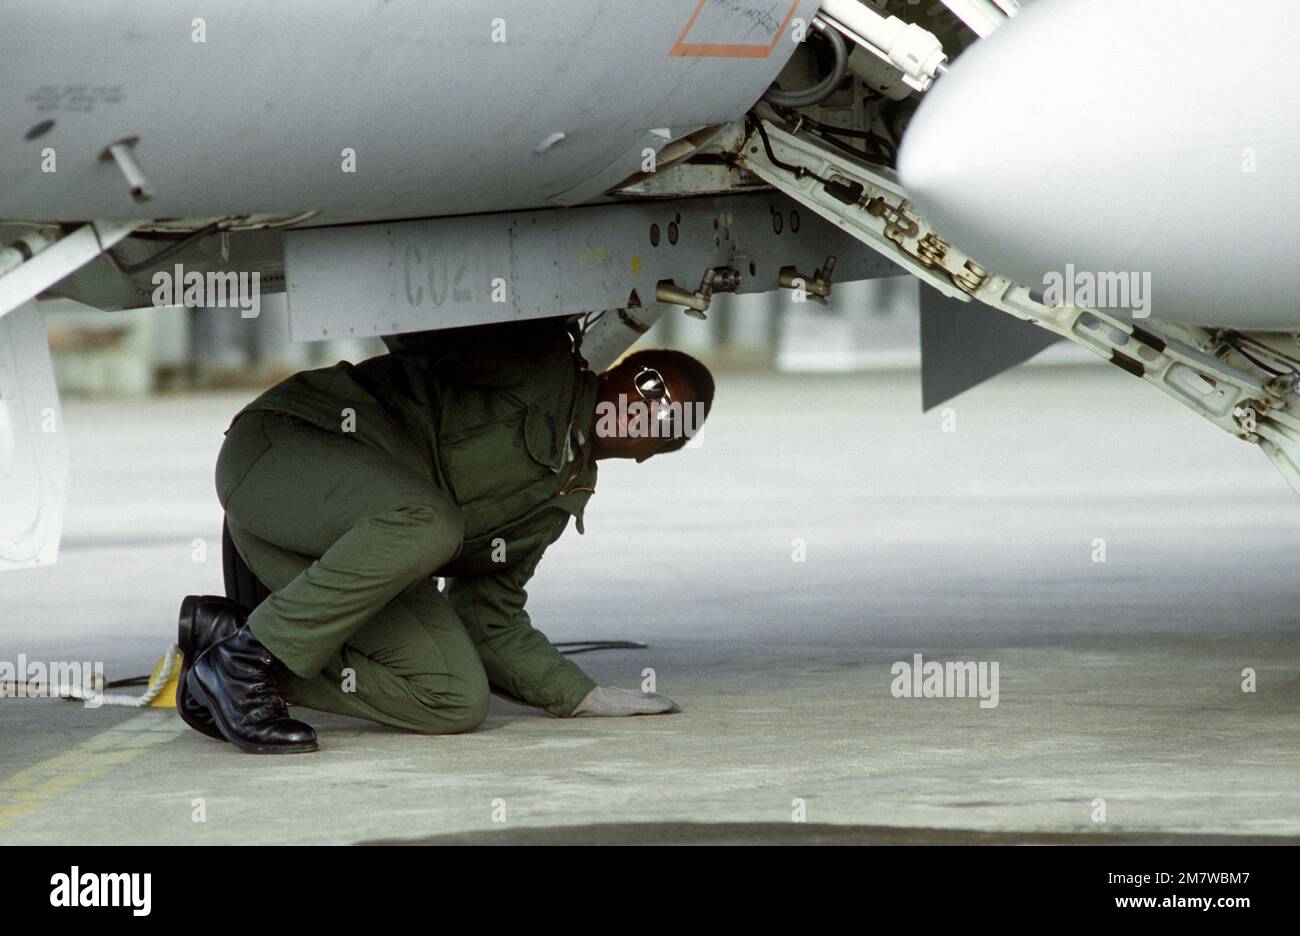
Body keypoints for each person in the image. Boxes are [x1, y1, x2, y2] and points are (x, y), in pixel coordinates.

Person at [176, 317, 715, 754]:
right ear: (619, 372)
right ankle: (251, 658)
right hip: (282, 456)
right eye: (648, 385)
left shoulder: (554, 505)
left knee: (454, 699)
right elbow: (422, 330)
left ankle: (233, 652)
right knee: (430, 522)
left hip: (319, 546)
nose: (641, 409)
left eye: (666, 418)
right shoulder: (542, 367)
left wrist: (579, 695)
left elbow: (490, 619)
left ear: (649, 452)